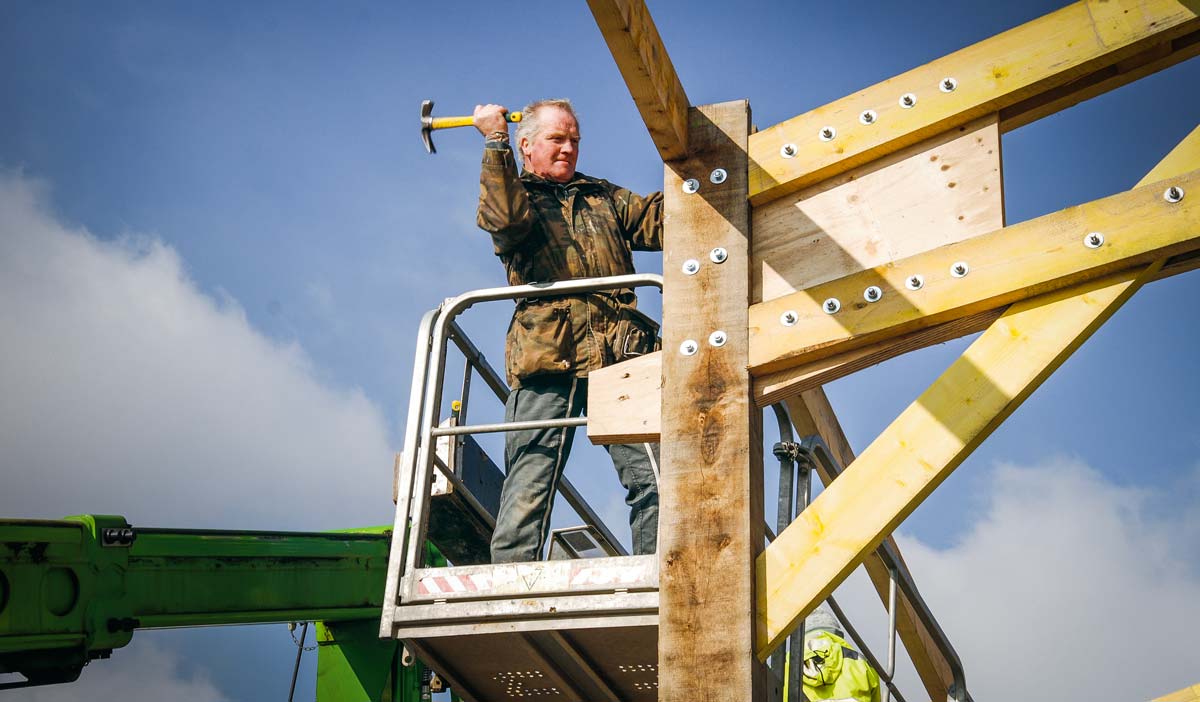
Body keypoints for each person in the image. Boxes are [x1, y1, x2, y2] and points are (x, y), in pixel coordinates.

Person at [472, 98, 663, 563]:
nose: (568, 149)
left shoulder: (602, 197)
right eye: (557, 139)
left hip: (620, 356)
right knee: (530, 481)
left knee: (655, 480)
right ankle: (509, 586)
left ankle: (658, 576)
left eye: (574, 140)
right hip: (548, 357)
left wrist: (703, 169)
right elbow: (503, 219)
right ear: (526, 145)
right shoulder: (515, 194)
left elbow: (663, 223)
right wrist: (494, 143)